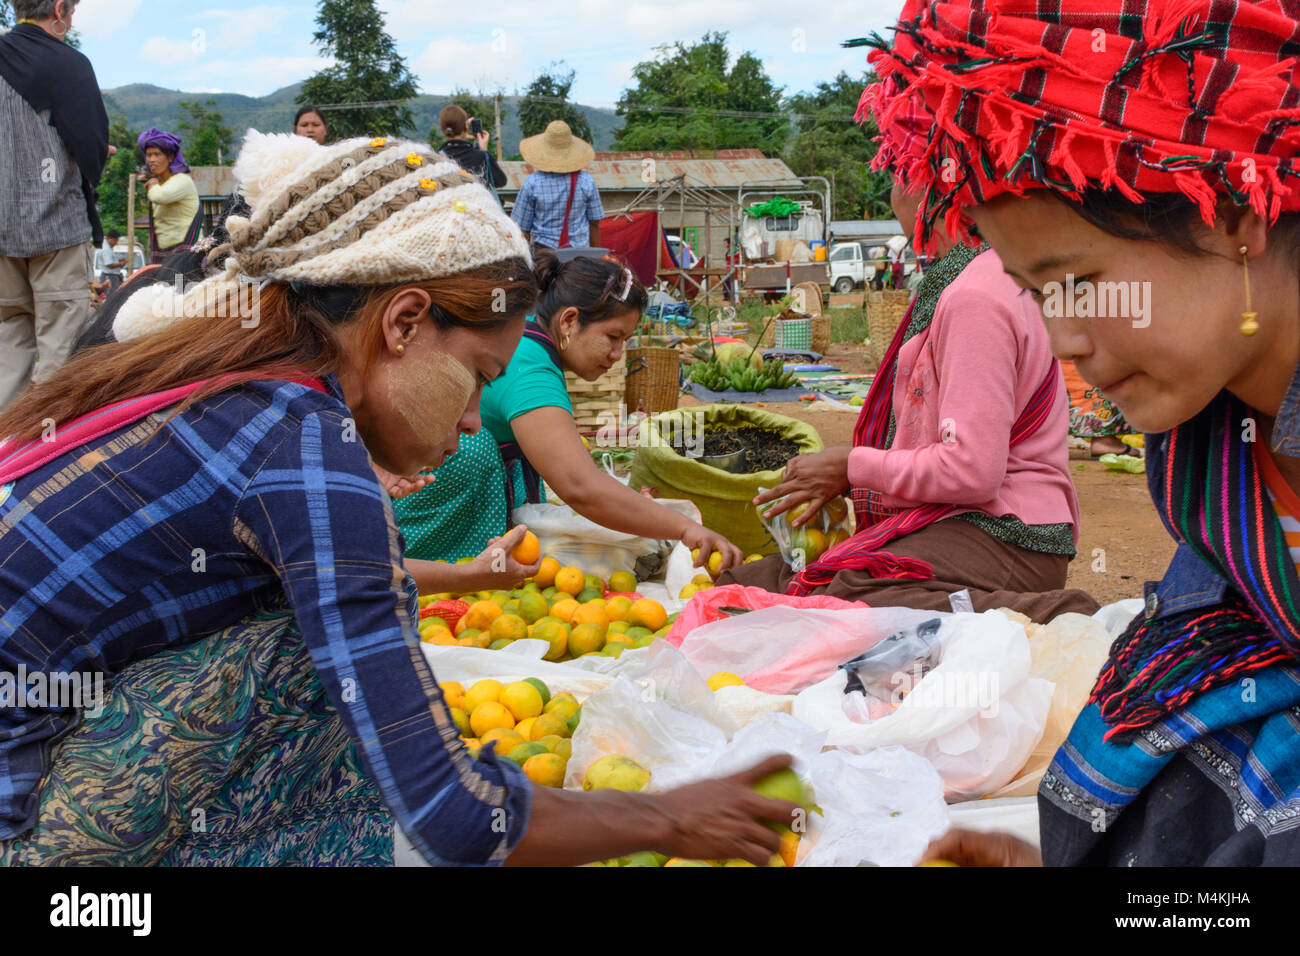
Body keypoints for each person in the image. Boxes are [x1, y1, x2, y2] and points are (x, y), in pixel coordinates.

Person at [0, 130, 794, 866]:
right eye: (479, 379)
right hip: (24, 814)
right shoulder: (303, 442)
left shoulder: (243, 385)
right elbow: (452, 812)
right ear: (405, 322)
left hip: (47, 739)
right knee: (329, 671)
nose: (471, 424)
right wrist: (671, 818)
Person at [865, 0, 1300, 866]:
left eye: (1079, 281)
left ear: (1234, 215)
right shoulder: (1206, 462)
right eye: (1034, 294)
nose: (1064, 340)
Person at [718, 81, 1097, 624]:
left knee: (840, 597)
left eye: (898, 178)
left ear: (928, 190)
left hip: (1006, 537)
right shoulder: (966, 277)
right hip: (951, 524)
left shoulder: (975, 295)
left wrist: (853, 468)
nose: (893, 195)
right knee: (755, 585)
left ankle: (1054, 615)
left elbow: (972, 472)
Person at [394, 248, 743, 580]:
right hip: (429, 511)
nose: (618, 354)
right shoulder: (531, 369)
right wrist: (684, 527)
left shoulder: (528, 331)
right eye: (613, 337)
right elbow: (579, 486)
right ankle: (444, 575)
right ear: (570, 320)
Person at [0, 0, 110, 411]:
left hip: (1, 233)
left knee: (9, 345)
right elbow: (92, 144)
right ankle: (44, 456)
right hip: (57, 228)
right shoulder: (69, 64)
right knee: (60, 348)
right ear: (60, 9)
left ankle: (4, 459)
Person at [512, 120, 603, 250]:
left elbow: (522, 229)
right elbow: (594, 224)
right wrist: (595, 259)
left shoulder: (532, 183)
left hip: (544, 256)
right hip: (579, 255)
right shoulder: (586, 181)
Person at [136, 126, 201, 263]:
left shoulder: (182, 181)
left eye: (157, 154)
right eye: (149, 155)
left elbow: (158, 197)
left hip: (185, 256)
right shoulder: (162, 185)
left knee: (180, 284)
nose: (152, 159)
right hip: (166, 256)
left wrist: (152, 184)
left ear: (170, 157)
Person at [437, 104, 506, 197]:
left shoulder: (436, 158)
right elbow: (500, 181)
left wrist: (463, 130)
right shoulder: (481, 157)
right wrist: (484, 150)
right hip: (478, 208)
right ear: (466, 126)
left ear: (442, 128)